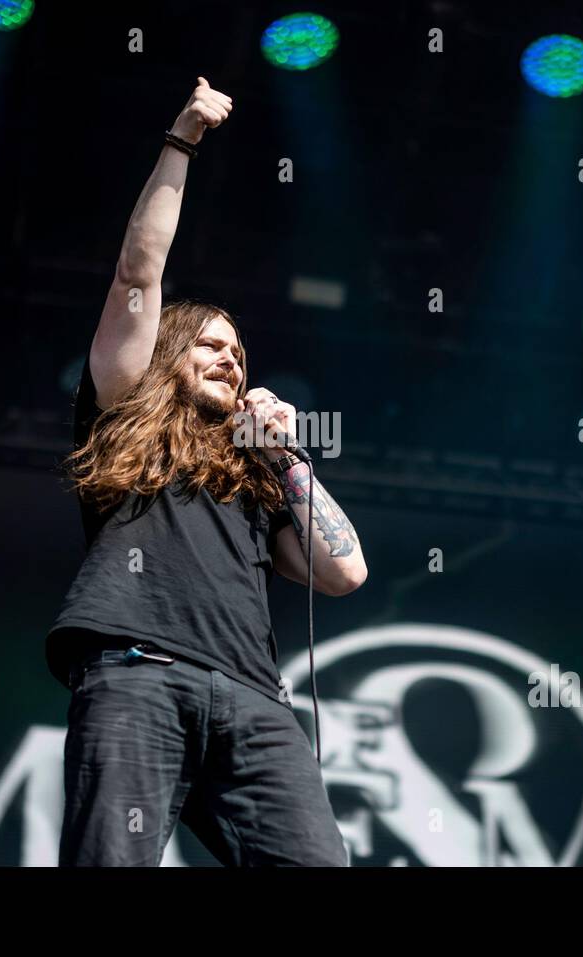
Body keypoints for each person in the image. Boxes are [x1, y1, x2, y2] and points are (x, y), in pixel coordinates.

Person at [46, 77, 367, 866]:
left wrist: (285, 458)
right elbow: (136, 276)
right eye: (211, 343)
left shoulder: (256, 475)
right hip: (137, 672)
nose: (231, 354)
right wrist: (182, 140)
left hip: (255, 699)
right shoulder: (124, 409)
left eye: (240, 349)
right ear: (166, 353)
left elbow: (345, 571)